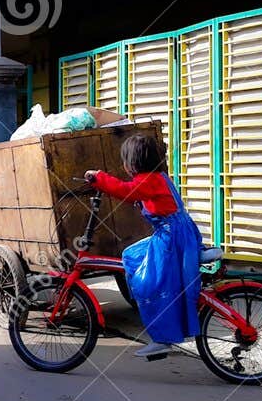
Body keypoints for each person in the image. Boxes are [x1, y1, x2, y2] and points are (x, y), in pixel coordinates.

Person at [85, 130, 204, 360]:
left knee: (153, 286)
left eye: (125, 160)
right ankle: (161, 326)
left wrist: (99, 177)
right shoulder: (157, 177)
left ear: (133, 162)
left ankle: (163, 339)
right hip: (177, 234)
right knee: (131, 256)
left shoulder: (148, 181)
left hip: (171, 238)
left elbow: (124, 191)